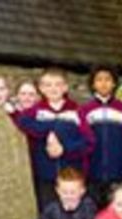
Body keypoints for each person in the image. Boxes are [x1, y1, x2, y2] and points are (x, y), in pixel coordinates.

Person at [16, 68, 94, 210]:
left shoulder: (76, 111)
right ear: (41, 88)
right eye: (48, 85)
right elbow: (22, 122)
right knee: (48, 213)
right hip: (45, 176)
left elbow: (88, 142)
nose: (53, 89)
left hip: (72, 177)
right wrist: (51, 129)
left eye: (58, 84)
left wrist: (64, 149)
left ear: (65, 87)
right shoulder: (36, 112)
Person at [79, 66, 122, 203]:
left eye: (108, 79)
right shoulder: (85, 110)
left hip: (117, 174)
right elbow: (83, 142)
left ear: (114, 83)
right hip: (93, 175)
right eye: (99, 80)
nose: (103, 83)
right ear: (93, 84)